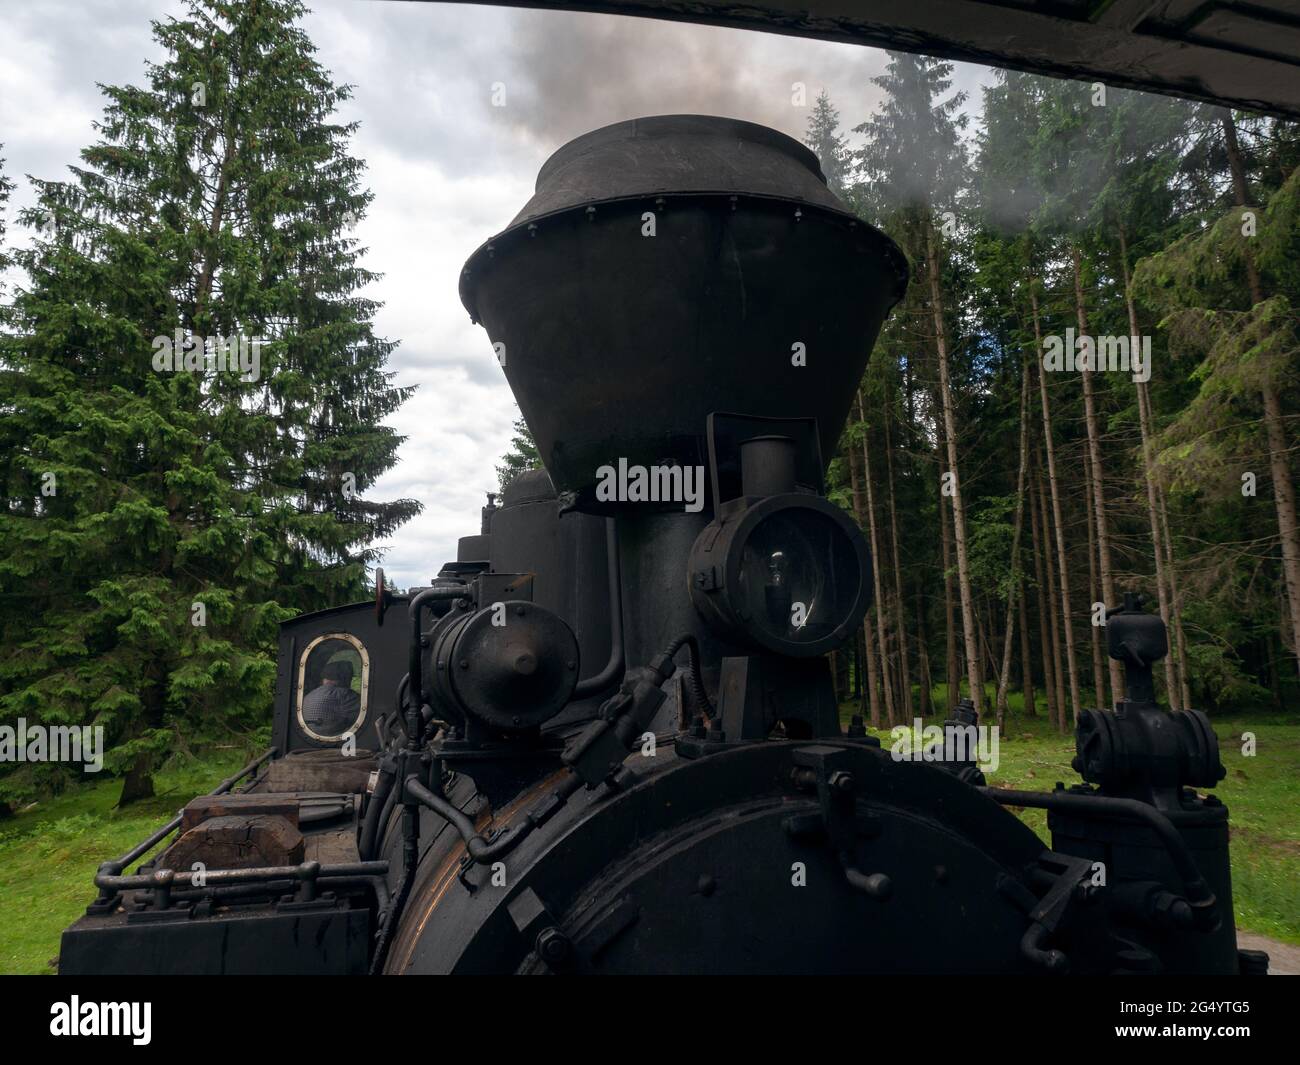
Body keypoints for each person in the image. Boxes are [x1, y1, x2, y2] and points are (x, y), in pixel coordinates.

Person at [301, 659, 362, 737]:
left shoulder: (309, 696)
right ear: (343, 678)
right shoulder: (344, 694)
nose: (349, 681)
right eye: (349, 677)